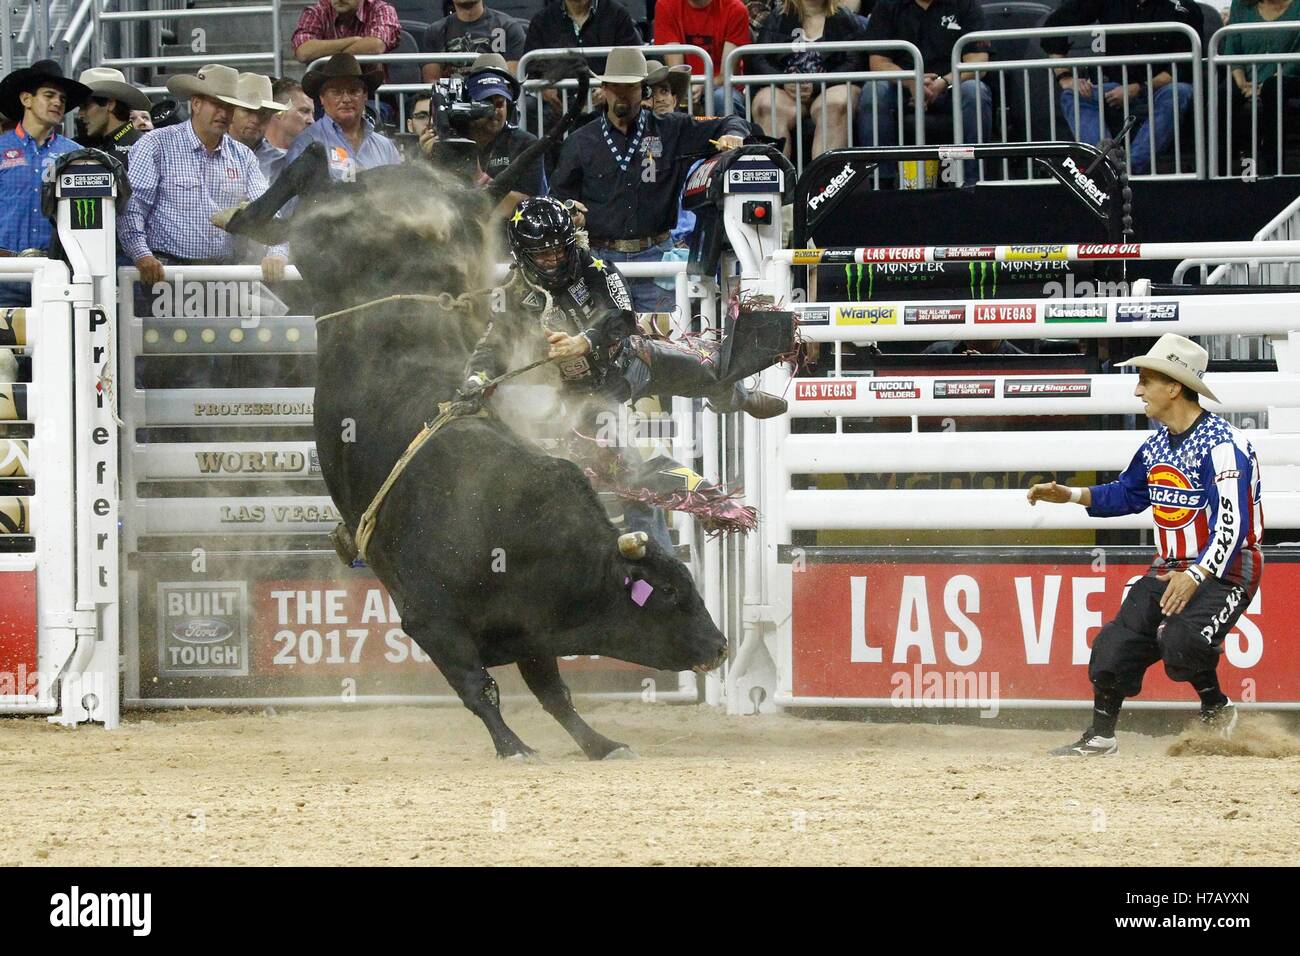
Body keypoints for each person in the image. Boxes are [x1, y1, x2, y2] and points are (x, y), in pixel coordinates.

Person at [465, 198, 786, 545]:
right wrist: (476, 379)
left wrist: (584, 341)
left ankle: (742, 397)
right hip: (588, 396)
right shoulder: (514, 296)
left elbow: (623, 319)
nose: (554, 260)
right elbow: (493, 345)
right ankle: (698, 513)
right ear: (524, 254)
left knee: (712, 369)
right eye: (543, 255)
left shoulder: (597, 269)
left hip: (636, 359)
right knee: (631, 477)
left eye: (559, 250)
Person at [1028, 334, 1263, 756]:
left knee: (1181, 640)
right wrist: (1070, 495)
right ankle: (1101, 736)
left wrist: (1194, 576)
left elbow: (1232, 524)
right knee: (1113, 646)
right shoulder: (1157, 444)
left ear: (1174, 387)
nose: (1138, 390)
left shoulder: (1223, 446)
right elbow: (1128, 493)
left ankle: (1216, 706)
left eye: (1145, 380)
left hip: (1226, 567)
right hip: (1171, 564)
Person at [549, 47, 750, 311]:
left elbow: (731, 121)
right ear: (605, 88)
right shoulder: (580, 141)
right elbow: (558, 199)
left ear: (644, 89)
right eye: (616, 87)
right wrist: (570, 211)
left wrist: (733, 134)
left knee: (666, 344)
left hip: (657, 258)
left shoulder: (672, 128)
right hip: (600, 261)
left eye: (630, 87)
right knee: (601, 343)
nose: (621, 94)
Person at [118, 64, 288, 285]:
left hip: (225, 275)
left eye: (229, 106)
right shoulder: (156, 144)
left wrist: (277, 251)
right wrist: (142, 255)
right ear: (196, 103)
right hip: (169, 272)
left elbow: (268, 208)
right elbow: (134, 207)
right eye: (217, 104)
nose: (224, 113)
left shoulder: (243, 156)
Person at [1043, 0, 1200, 176]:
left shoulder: (1183, 8)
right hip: (1116, 87)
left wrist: (1139, 88)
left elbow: (1184, 67)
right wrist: (1065, 77)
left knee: (1179, 92)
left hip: (1160, 88)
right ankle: (1107, 163)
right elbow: (1053, 26)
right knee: (1072, 95)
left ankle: (1128, 170)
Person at [856, 0, 991, 182]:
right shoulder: (886, 5)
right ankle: (881, 182)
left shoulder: (966, 5)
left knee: (974, 90)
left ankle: (973, 182)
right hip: (901, 88)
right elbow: (879, 62)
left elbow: (978, 61)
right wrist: (912, 81)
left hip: (951, 86)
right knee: (874, 91)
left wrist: (944, 82)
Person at [0, 60, 91, 306]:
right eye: (49, 95)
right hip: (4, 273)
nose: (57, 103)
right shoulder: (1, 149)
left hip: (56, 273)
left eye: (62, 99)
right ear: (26, 99)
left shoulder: (76, 154)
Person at [421, 54, 546, 213]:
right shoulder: (450, 139)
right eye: (486, 101)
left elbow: (528, 206)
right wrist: (426, 159)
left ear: (510, 106)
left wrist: (477, 175)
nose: (495, 110)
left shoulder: (526, 144)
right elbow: (426, 199)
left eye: (500, 102)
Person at [749, 0, 866, 158]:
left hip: (830, 87)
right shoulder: (778, 18)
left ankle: (823, 180)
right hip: (787, 91)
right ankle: (773, 179)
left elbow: (856, 62)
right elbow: (758, 59)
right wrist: (783, 81)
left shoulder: (845, 19)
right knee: (766, 104)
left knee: (836, 104)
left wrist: (817, 85)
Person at [283, 53, 402, 182]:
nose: (346, 99)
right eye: (336, 92)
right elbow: (295, 199)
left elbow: (398, 193)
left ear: (365, 96)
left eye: (353, 91)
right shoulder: (306, 142)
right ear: (322, 98)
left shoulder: (385, 146)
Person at [1221, 0, 1300, 177]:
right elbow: (1231, 49)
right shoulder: (1240, 5)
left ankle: (1274, 170)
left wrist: (1264, 85)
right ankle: (1219, 172)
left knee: (1273, 89)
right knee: (1223, 94)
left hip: (1291, 77)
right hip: (1246, 77)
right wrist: (1241, 82)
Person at [653, 0, 753, 116]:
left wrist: (704, 85)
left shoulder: (735, 9)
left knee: (722, 98)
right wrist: (687, 89)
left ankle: (729, 133)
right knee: (663, 100)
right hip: (685, 84)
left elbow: (724, 75)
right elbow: (678, 72)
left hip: (722, 86)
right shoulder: (666, 5)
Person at [420, 0, 527, 82]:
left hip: (493, 97)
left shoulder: (508, 27)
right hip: (450, 102)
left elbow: (510, 80)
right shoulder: (435, 31)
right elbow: (432, 83)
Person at [74, 67, 152, 167]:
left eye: (85, 106)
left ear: (110, 104)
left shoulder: (142, 147)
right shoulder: (80, 146)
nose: (80, 114)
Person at [292, 0, 402, 66]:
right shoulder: (316, 12)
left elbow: (375, 46)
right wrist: (354, 40)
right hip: (327, 94)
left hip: (373, 94)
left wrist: (324, 56)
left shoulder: (382, 9)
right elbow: (304, 52)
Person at [259, 78, 316, 181]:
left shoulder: (314, 160)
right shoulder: (249, 157)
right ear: (278, 111)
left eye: (313, 114)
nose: (312, 121)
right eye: (304, 111)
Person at [229, 73, 289, 152]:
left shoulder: (281, 162)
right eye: (248, 111)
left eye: (264, 113)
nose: (256, 120)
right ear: (230, 111)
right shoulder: (209, 153)